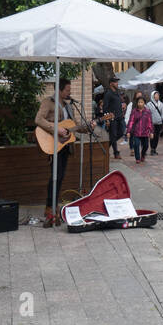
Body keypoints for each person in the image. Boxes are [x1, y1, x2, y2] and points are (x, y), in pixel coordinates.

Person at [35, 78, 93, 227]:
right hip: (52, 144)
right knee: (55, 176)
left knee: (60, 177)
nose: (70, 92)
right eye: (67, 90)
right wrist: (56, 128)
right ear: (59, 90)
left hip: (65, 146)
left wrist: (88, 126)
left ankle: (54, 207)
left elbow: (74, 128)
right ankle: (49, 208)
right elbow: (38, 119)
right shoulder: (48, 102)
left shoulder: (69, 107)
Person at [126, 92, 154, 163]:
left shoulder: (147, 112)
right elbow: (131, 121)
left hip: (145, 132)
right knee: (136, 144)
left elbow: (150, 122)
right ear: (137, 103)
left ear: (144, 103)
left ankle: (143, 155)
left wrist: (151, 132)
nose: (140, 104)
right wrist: (128, 131)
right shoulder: (134, 111)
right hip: (136, 132)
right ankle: (137, 158)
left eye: (141, 102)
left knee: (146, 146)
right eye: (139, 102)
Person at [102, 78, 125, 159]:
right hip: (112, 118)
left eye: (117, 82)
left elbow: (119, 103)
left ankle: (107, 144)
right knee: (113, 135)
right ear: (111, 84)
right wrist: (107, 119)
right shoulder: (108, 94)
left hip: (120, 117)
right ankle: (116, 152)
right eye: (115, 82)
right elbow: (105, 108)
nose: (117, 83)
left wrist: (122, 105)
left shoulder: (117, 93)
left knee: (122, 132)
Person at [148, 90, 163, 155]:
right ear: (153, 96)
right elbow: (147, 114)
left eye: (158, 95)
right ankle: (152, 149)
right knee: (152, 136)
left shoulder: (161, 104)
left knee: (157, 137)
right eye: (155, 95)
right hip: (152, 123)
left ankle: (154, 149)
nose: (157, 96)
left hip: (159, 123)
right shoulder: (149, 104)